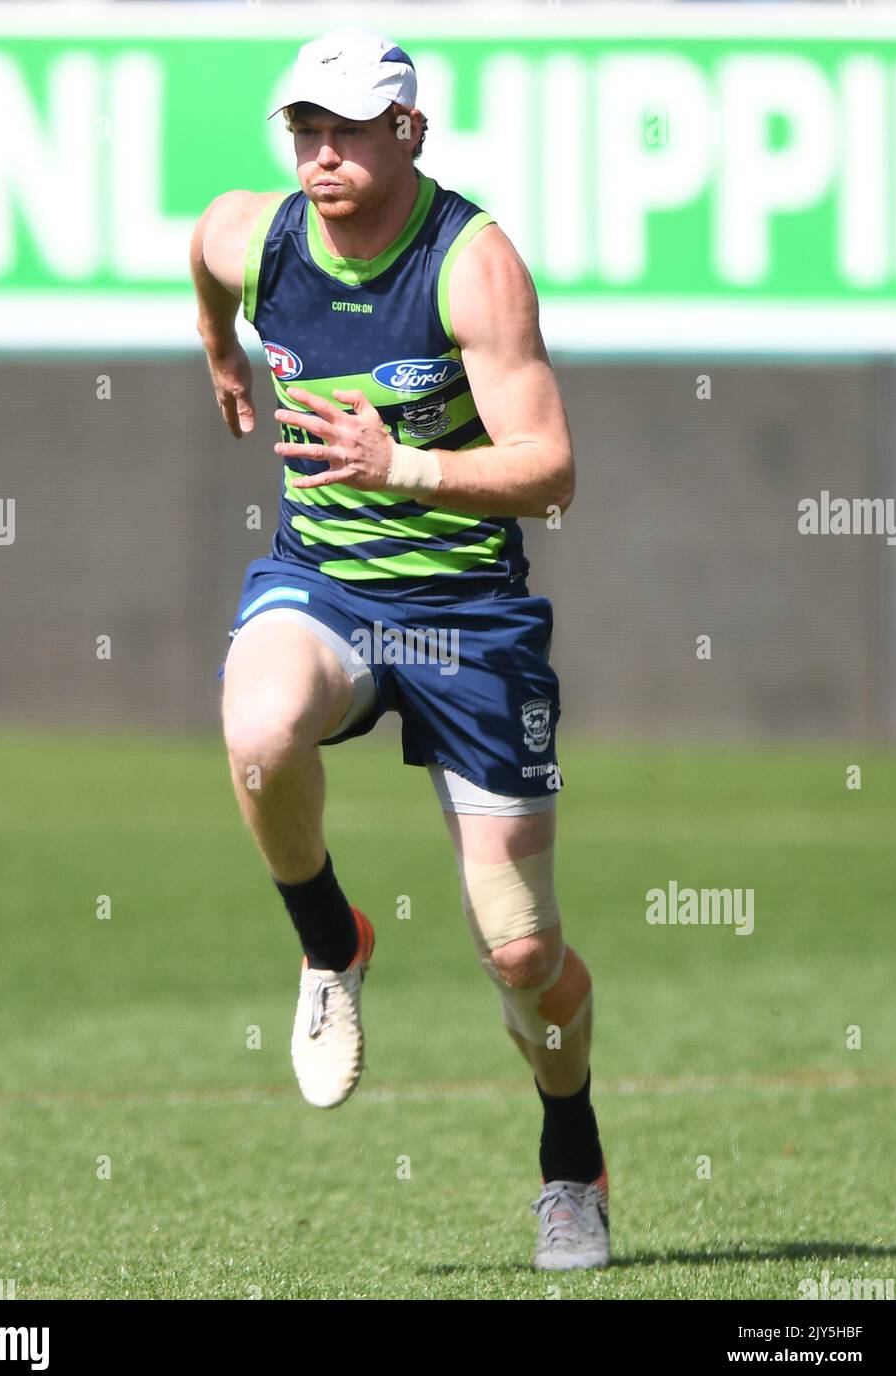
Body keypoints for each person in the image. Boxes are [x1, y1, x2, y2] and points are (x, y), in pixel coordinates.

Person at [189, 25, 608, 1271]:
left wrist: (402, 462)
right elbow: (204, 255)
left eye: (344, 131)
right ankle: (332, 940)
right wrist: (218, 349)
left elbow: (554, 474)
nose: (317, 155)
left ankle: (570, 1157)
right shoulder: (256, 234)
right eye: (302, 131)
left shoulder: (474, 265)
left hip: (469, 616)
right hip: (323, 586)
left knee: (524, 953)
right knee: (257, 727)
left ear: (408, 133)